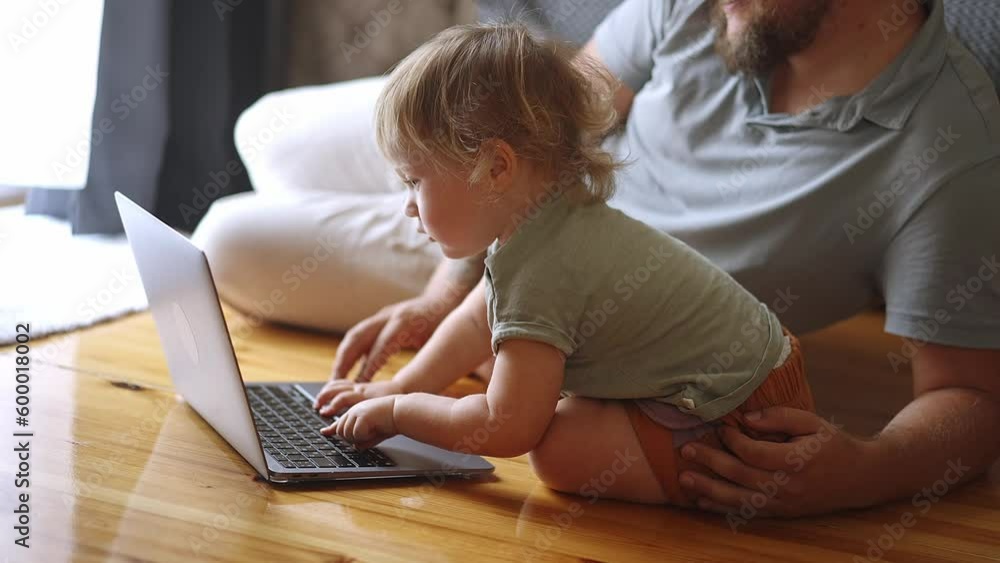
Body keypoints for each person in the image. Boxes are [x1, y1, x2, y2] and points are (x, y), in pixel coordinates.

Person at [194, 0, 1000, 516]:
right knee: (270, 133)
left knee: (229, 235)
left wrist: (865, 472)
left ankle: (417, 199)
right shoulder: (710, 11)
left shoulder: (954, 147)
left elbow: (969, 396)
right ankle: (422, 198)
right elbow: (551, 123)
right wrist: (446, 286)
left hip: (568, 269)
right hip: (521, 196)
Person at [310, 20, 816, 506]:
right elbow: (474, 319)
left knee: (556, 452)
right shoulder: (550, 220)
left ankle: (712, 484)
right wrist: (398, 385)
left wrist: (401, 412)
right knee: (542, 396)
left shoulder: (543, 271)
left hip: (744, 417)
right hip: (756, 373)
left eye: (414, 181)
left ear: (496, 168)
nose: (408, 205)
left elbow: (505, 427)